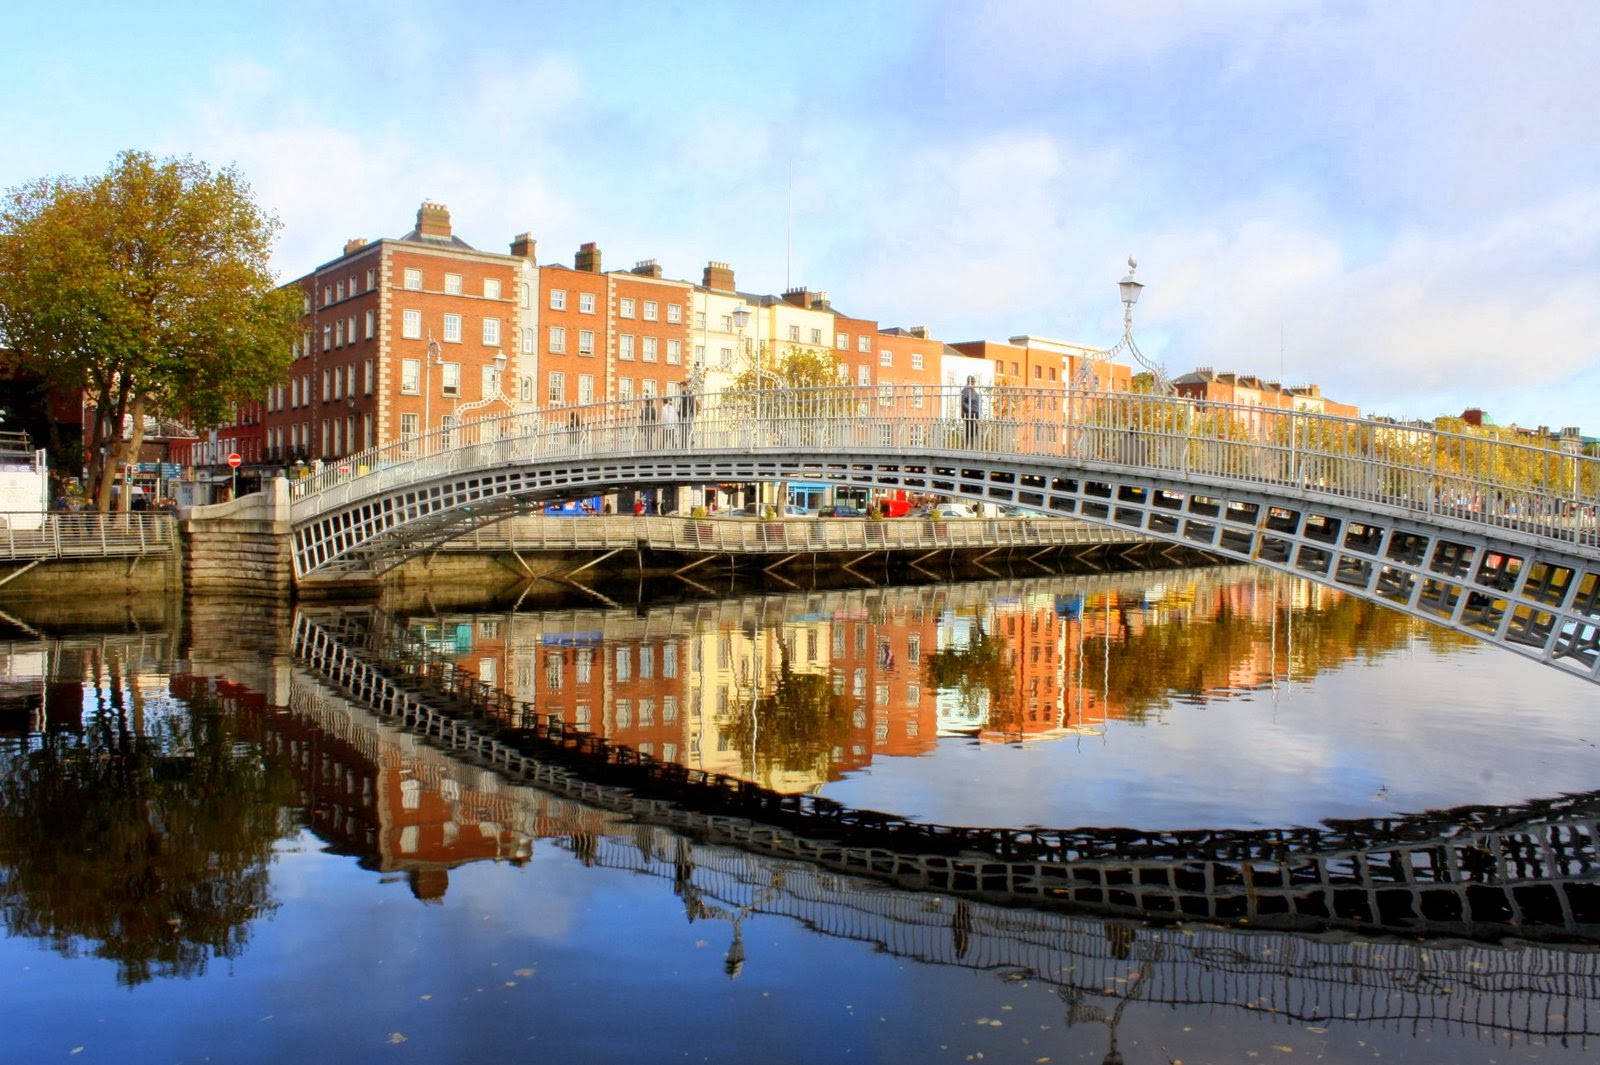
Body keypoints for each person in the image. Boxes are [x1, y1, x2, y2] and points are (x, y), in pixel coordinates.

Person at [960, 375, 982, 447]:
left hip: (975, 414)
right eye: (972, 382)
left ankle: (972, 447)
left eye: (973, 382)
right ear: (968, 382)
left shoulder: (973, 390)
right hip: (970, 414)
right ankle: (966, 447)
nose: (973, 384)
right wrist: (970, 410)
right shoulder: (966, 390)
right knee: (969, 432)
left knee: (974, 432)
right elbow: (962, 402)